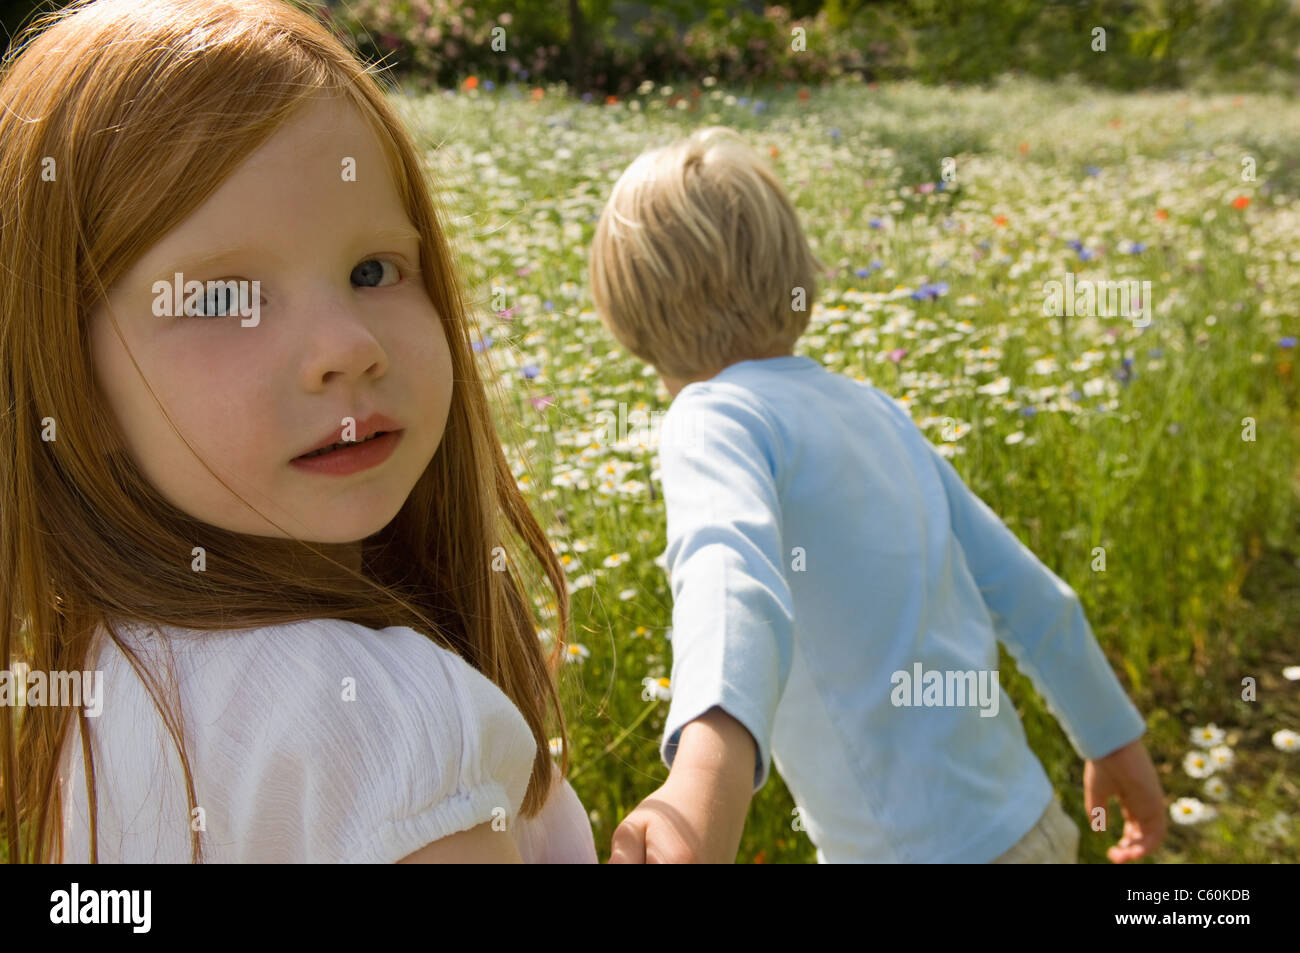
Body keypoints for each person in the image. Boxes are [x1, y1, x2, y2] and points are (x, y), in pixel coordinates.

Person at [0, 0, 594, 864]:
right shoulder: (384, 725)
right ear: (70, 383)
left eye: (372, 269)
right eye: (224, 298)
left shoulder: (111, 670)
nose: (347, 349)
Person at [588, 126, 1167, 864]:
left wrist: (697, 782)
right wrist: (1113, 736)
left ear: (630, 315)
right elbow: (1032, 595)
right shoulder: (875, 410)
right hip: (1032, 824)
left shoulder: (711, 417)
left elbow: (729, 583)